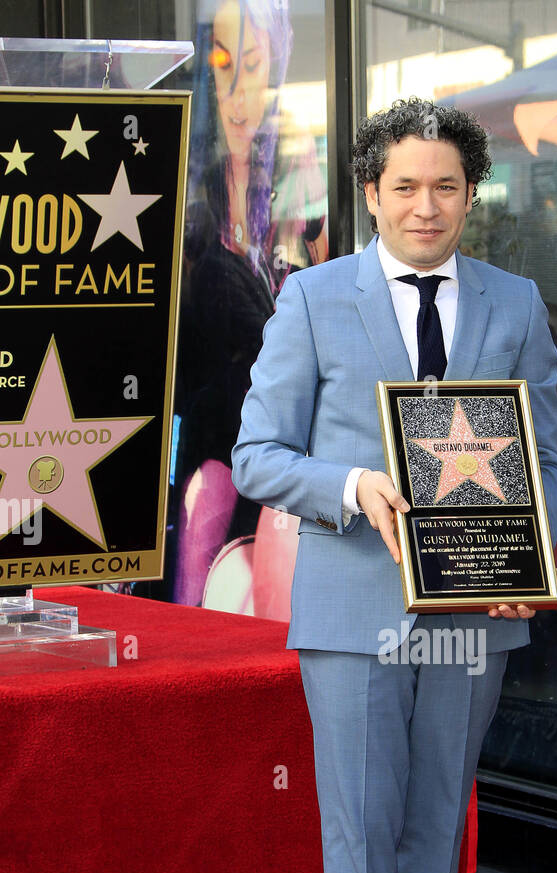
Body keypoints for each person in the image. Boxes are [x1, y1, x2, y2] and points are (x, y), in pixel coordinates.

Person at [232, 97, 557, 873]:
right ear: (371, 193)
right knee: (361, 824)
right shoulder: (313, 300)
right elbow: (258, 455)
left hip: (477, 606)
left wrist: (531, 546)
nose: (427, 206)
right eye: (406, 187)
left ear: (472, 195)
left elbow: (546, 459)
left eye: (447, 187)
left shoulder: (516, 302)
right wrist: (352, 487)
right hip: (352, 608)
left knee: (436, 820)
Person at [171, 0, 327, 609]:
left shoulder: (302, 189)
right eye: (221, 64)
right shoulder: (197, 201)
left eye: (254, 66)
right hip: (214, 438)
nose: (237, 93)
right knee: (198, 556)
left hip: (284, 443)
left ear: (278, 69)